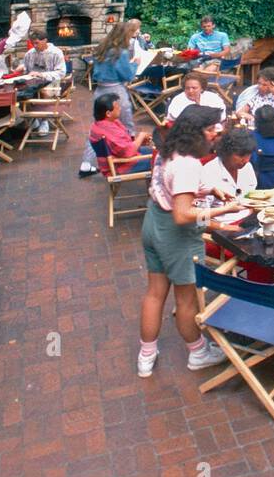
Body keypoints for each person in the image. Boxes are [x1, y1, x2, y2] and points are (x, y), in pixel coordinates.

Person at [138, 106, 243, 378]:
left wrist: (208, 189)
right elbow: (184, 215)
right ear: (195, 132)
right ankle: (198, 353)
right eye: (210, 129)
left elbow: (168, 186)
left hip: (153, 223)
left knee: (155, 293)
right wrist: (223, 211)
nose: (216, 134)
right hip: (176, 234)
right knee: (186, 301)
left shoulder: (169, 149)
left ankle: (146, 356)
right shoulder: (190, 164)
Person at [80, 21, 140, 176]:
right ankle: (129, 158)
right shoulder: (120, 52)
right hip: (115, 91)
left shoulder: (102, 48)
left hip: (100, 90)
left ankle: (86, 164)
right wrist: (135, 64)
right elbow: (127, 75)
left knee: (98, 128)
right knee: (127, 125)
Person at [88, 93, 154, 174]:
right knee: (159, 159)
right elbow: (127, 152)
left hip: (114, 160)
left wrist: (138, 142)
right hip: (120, 165)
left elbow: (122, 144)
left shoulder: (98, 125)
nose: (120, 108)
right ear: (108, 113)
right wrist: (141, 136)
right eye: (117, 107)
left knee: (154, 151)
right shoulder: (109, 130)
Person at [21, 29, 69, 135]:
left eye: (37, 43)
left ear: (45, 41)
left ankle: (44, 121)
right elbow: (26, 69)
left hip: (52, 82)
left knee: (43, 91)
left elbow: (61, 73)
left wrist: (42, 75)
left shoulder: (56, 52)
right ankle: (34, 119)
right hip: (33, 82)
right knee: (20, 92)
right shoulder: (30, 53)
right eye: (33, 43)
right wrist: (20, 69)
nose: (34, 45)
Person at [201, 127, 259, 199]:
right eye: (240, 155)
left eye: (249, 155)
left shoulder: (247, 167)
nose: (246, 160)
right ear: (227, 152)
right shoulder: (209, 171)